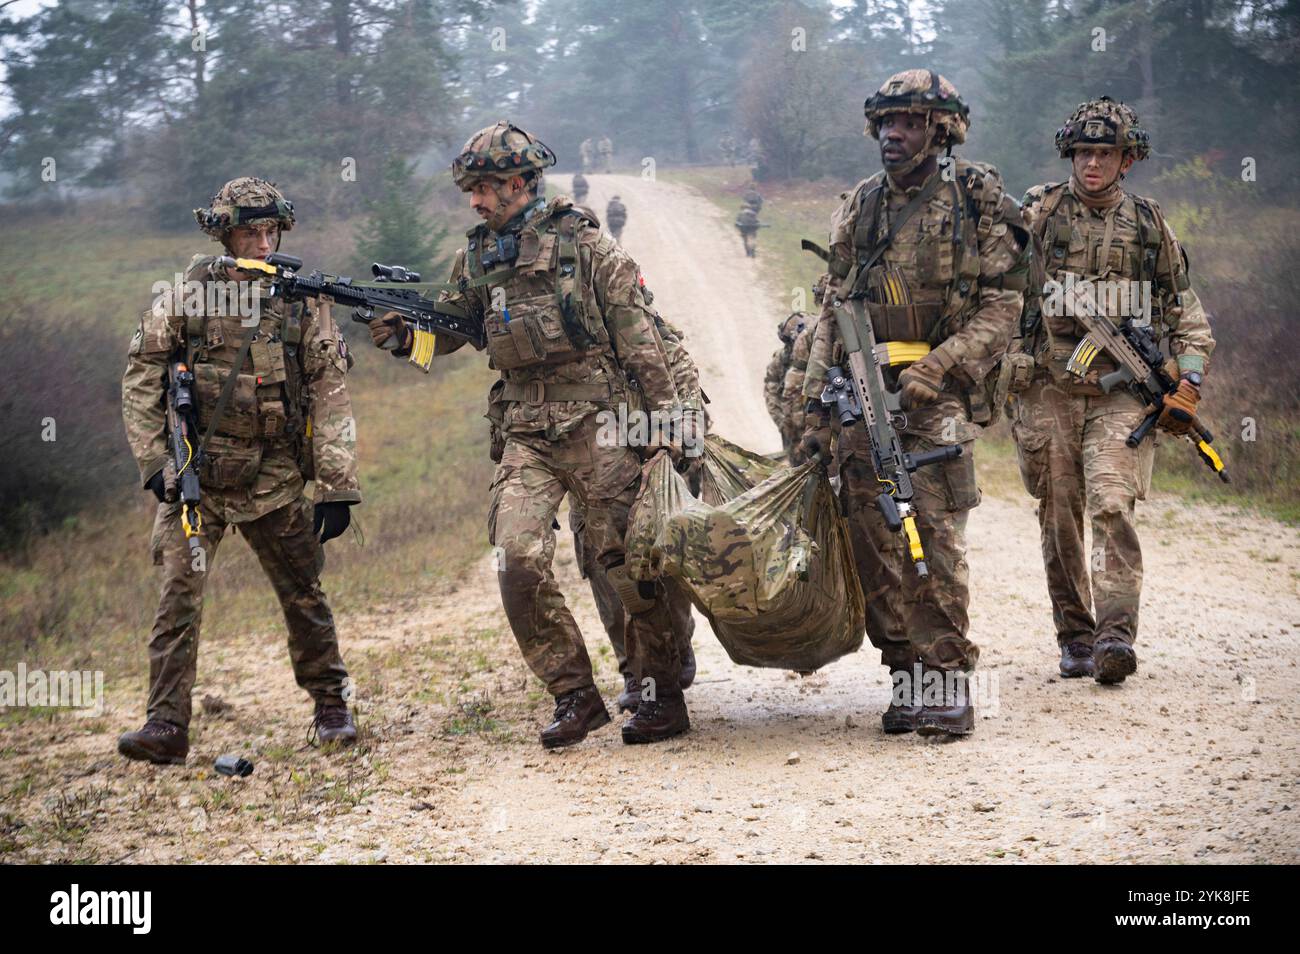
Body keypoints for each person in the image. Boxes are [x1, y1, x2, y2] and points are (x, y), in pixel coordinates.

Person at [368, 122, 694, 747]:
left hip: (602, 424)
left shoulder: (589, 249)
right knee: (516, 559)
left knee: (629, 566)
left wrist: (665, 433)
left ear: (520, 183)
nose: (475, 201)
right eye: (470, 190)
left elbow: (642, 345)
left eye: (484, 188)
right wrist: (408, 338)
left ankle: (660, 693)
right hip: (526, 432)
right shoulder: (476, 259)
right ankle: (573, 694)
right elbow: (456, 328)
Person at [800, 70, 1029, 737]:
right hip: (863, 393)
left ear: (941, 129)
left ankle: (947, 680)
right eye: (886, 123)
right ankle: (905, 676)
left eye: (909, 122)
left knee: (930, 536)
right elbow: (831, 309)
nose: (893, 134)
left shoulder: (978, 199)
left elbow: (1004, 306)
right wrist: (811, 410)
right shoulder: (861, 205)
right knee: (872, 543)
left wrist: (941, 363)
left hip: (937, 396)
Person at [118, 177, 362, 764]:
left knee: (303, 593)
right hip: (196, 477)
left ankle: (331, 705)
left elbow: (330, 394)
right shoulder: (187, 298)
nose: (263, 243)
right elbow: (141, 375)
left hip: (273, 476)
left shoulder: (301, 303)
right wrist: (153, 461)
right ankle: (166, 724)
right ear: (226, 236)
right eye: (250, 233)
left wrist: (337, 487)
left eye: (270, 231)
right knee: (178, 595)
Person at [1011, 97, 1216, 684]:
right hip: (1048, 386)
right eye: (1083, 152)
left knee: (1110, 503)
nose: (1092, 163)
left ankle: (1114, 637)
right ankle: (1075, 635)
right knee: (1059, 513)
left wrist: (1189, 380)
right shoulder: (1039, 212)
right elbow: (992, 282)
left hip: (1122, 393)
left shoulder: (1149, 224)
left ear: (1128, 160)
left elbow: (1186, 313)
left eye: (1105, 153)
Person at [764, 312, 810, 458]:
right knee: (797, 464)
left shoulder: (820, 356)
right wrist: (783, 424)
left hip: (818, 425)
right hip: (793, 430)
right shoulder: (781, 360)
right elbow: (771, 394)